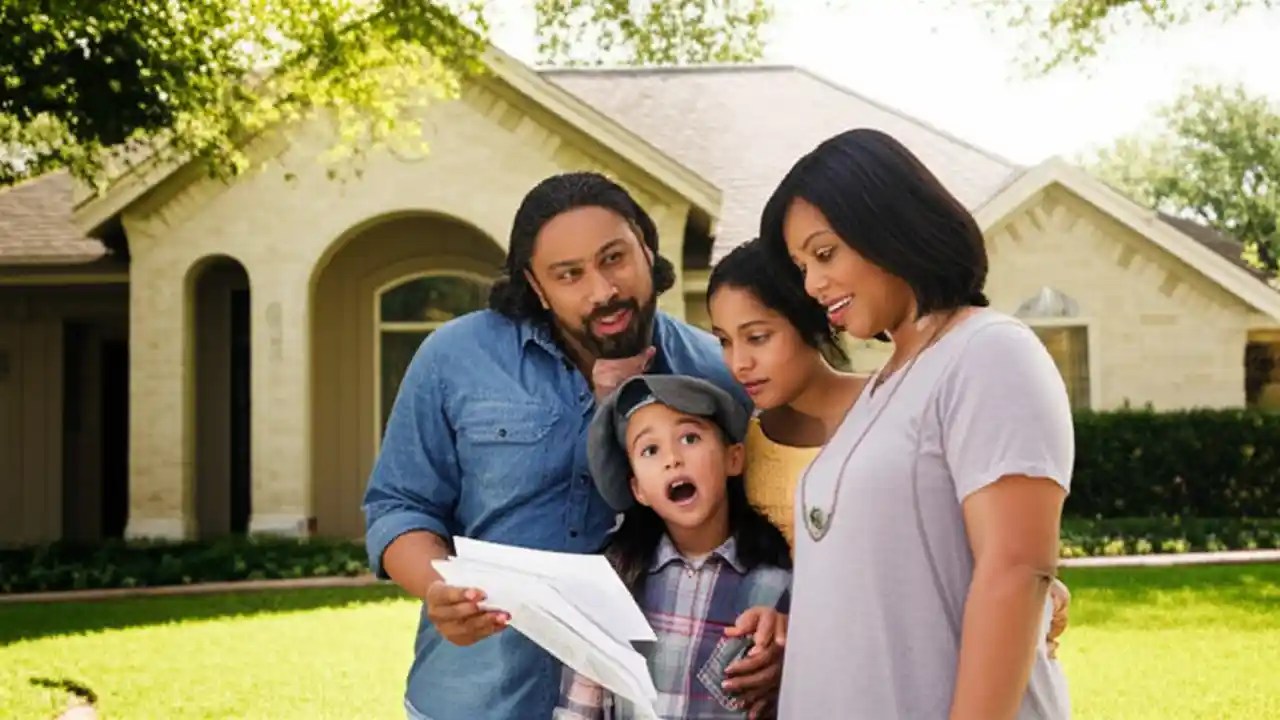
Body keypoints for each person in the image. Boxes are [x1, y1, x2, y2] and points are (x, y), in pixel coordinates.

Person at [361, 171, 782, 720]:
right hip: (475, 702)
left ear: (646, 249)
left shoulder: (718, 373)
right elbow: (397, 505)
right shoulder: (453, 358)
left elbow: (770, 526)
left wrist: (780, 640)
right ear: (537, 287)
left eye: (614, 258)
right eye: (569, 275)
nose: (602, 290)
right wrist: (439, 587)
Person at [757, 128, 1074, 719]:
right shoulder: (883, 388)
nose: (812, 284)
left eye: (824, 254)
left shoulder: (988, 351)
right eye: (802, 266)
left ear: (889, 226)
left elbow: (1016, 567)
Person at [706, 237, 1072, 652]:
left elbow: (976, 536)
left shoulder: (898, 407)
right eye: (724, 341)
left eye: (757, 337)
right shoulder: (741, 449)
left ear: (809, 321)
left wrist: (1040, 586)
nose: (738, 363)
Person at [555, 374, 793, 720]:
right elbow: (580, 707)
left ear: (733, 458)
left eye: (690, 437)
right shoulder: (612, 581)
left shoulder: (780, 586)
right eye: (650, 449)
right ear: (638, 489)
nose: (672, 459)